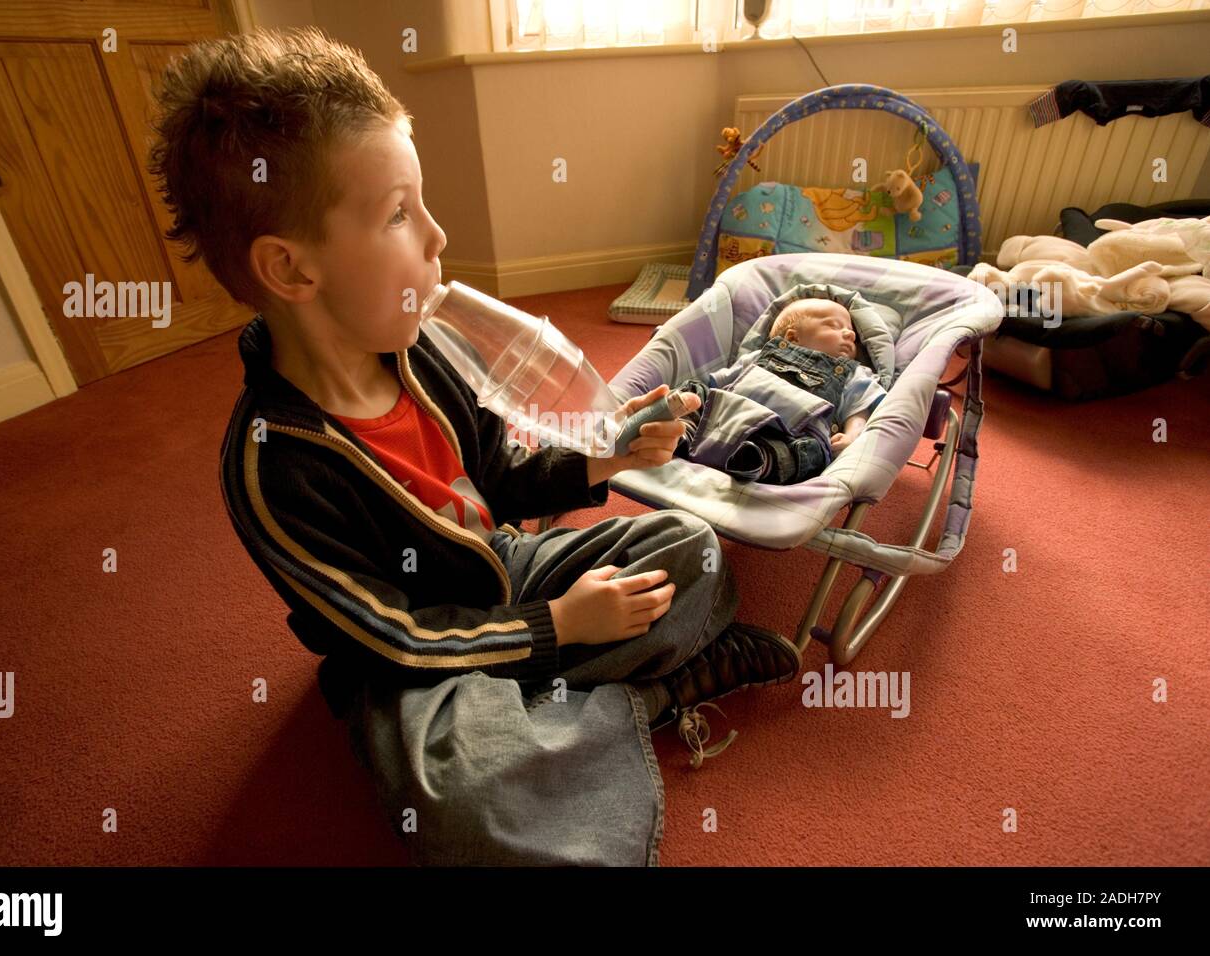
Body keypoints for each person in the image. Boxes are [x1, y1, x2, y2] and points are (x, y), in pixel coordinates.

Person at [148, 27, 800, 866]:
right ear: (292, 270)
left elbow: (497, 473)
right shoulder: (274, 465)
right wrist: (558, 626)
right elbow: (390, 633)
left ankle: (567, 711)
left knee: (694, 552)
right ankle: (650, 692)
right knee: (462, 798)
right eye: (398, 214)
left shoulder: (421, 349)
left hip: (501, 570)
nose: (437, 235)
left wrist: (606, 459)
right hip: (417, 659)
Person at [674, 294, 887, 485]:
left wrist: (851, 436)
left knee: (812, 453)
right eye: (834, 326)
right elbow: (719, 383)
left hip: (791, 434)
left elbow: (859, 410)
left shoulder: (851, 373)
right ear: (792, 338)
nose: (849, 335)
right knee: (695, 389)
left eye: (851, 332)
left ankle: (760, 462)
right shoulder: (763, 354)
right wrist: (701, 400)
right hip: (731, 414)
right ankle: (685, 432)